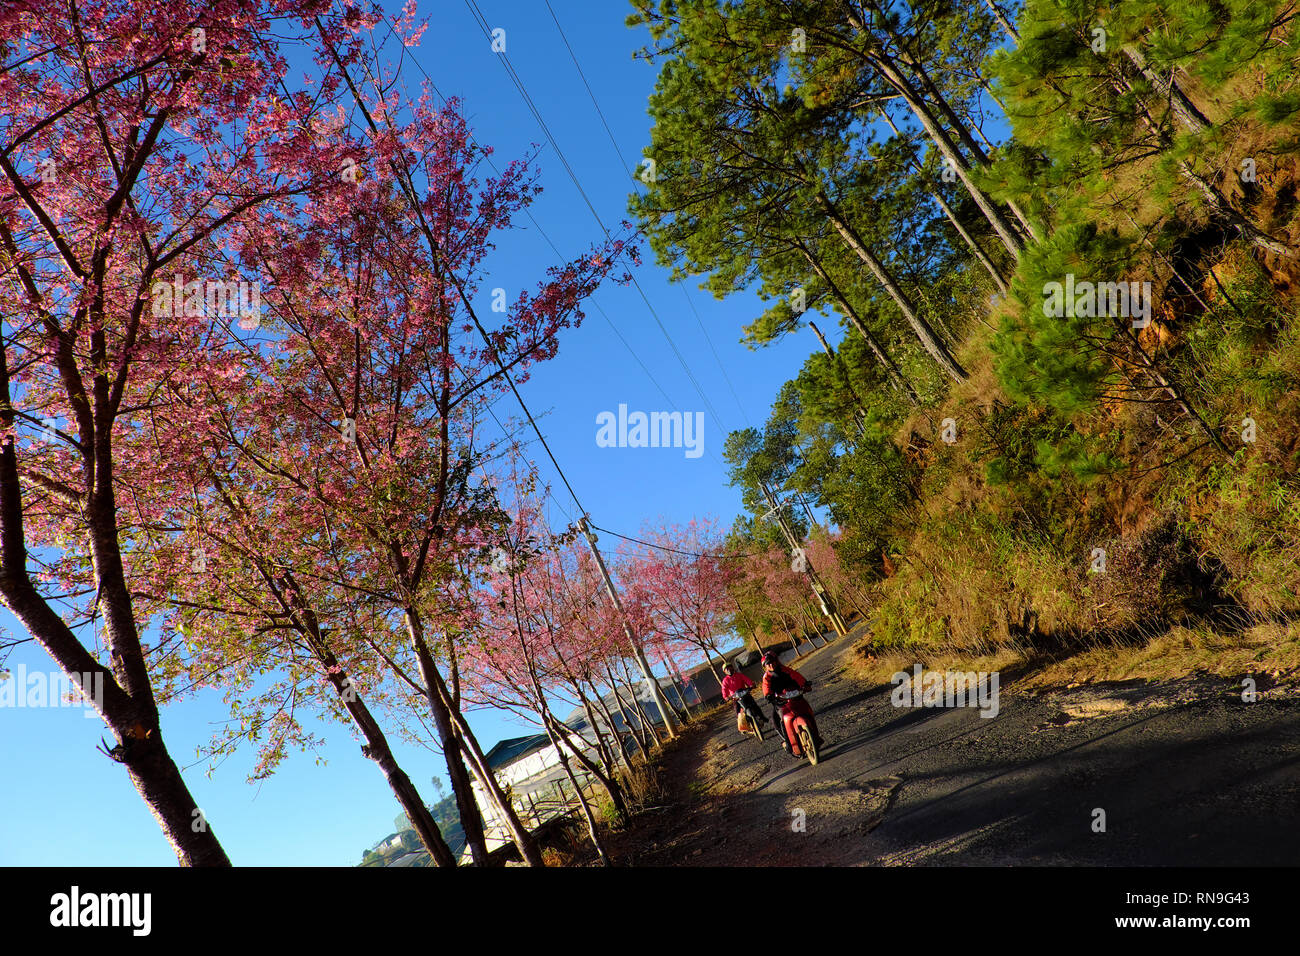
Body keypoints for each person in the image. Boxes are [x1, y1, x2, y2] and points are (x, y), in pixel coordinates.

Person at [761, 651, 823, 753]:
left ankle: (816, 735)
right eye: (768, 664)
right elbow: (765, 687)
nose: (771, 664)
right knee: (776, 721)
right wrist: (768, 695)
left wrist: (805, 684)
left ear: (776, 661)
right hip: (780, 703)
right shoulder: (766, 677)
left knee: (808, 712)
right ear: (765, 666)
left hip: (796, 697)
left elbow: (797, 676)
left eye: (772, 662)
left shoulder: (786, 670)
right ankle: (788, 743)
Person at [720, 661, 766, 734]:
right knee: (737, 712)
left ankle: (762, 717)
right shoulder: (725, 680)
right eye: (726, 669)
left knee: (754, 705)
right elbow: (724, 689)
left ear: (732, 668)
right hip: (736, 698)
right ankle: (742, 726)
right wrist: (726, 697)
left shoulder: (739, 675)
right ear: (724, 672)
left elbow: (747, 680)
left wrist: (751, 685)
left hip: (745, 694)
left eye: (730, 667)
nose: (729, 670)